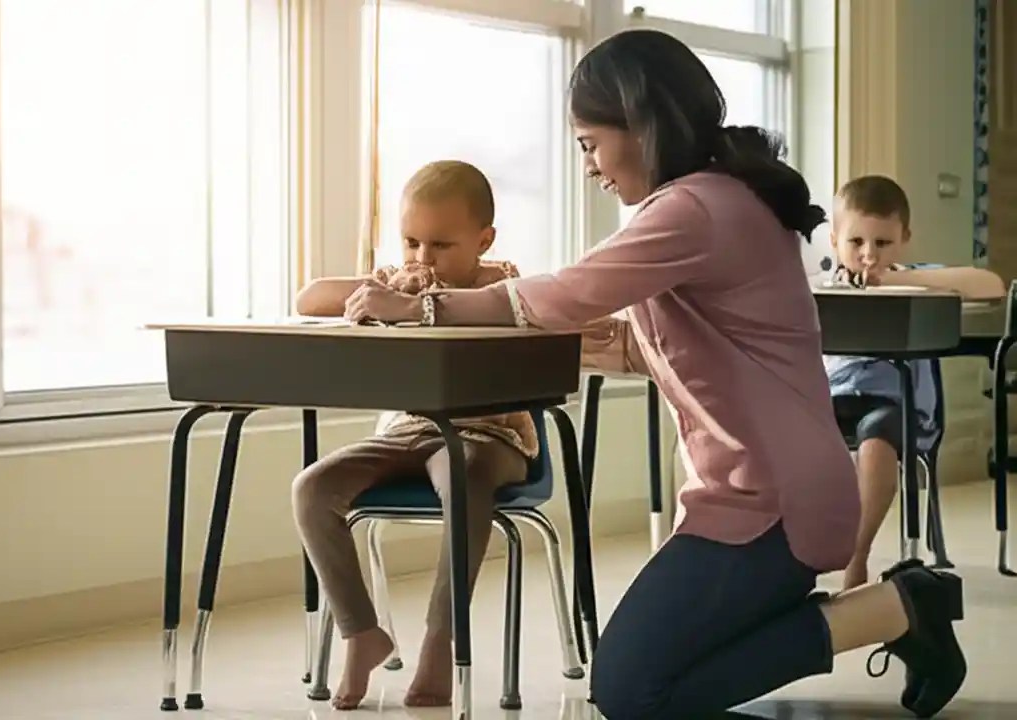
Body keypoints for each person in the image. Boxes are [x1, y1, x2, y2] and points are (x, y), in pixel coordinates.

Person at [344, 29, 967, 719]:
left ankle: (898, 608)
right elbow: (650, 348)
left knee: (632, 691)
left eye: (589, 143)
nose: (588, 167)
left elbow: (569, 293)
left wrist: (421, 306)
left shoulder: (696, 207)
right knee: (647, 683)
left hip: (774, 506)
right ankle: (899, 607)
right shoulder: (712, 201)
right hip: (757, 496)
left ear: (639, 124)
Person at [293, 160, 532, 710]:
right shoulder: (401, 278)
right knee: (312, 488)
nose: (424, 259)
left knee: (464, 471)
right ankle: (361, 633)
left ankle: (440, 644)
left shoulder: (502, 283)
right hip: (410, 432)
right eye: (411, 242)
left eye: (441, 246)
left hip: (491, 438)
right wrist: (374, 291)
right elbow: (309, 299)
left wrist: (418, 304)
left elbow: (502, 311)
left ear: (483, 240)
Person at [823, 175, 1004, 590]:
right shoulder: (826, 285)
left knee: (878, 436)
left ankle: (858, 552)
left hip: (896, 408)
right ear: (835, 241)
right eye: (856, 243)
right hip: (832, 400)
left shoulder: (919, 278)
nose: (869, 255)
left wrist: (896, 281)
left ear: (904, 238)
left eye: (883, 243)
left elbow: (990, 285)